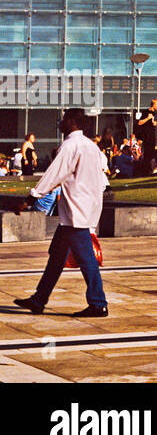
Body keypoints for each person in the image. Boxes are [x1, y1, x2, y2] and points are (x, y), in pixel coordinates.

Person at [13, 108, 109, 318]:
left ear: (73, 122)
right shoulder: (91, 147)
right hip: (84, 209)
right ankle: (39, 299)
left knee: (86, 259)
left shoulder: (71, 145)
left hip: (76, 213)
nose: (60, 122)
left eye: (64, 119)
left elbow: (54, 174)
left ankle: (98, 303)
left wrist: (31, 198)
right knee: (57, 256)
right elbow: (101, 181)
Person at [134, 99, 157, 176]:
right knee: (147, 156)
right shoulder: (146, 112)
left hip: (152, 137)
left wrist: (154, 124)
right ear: (154, 105)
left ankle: (150, 171)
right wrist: (148, 118)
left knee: (152, 155)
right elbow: (139, 122)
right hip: (146, 138)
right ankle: (145, 172)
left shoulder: (154, 114)